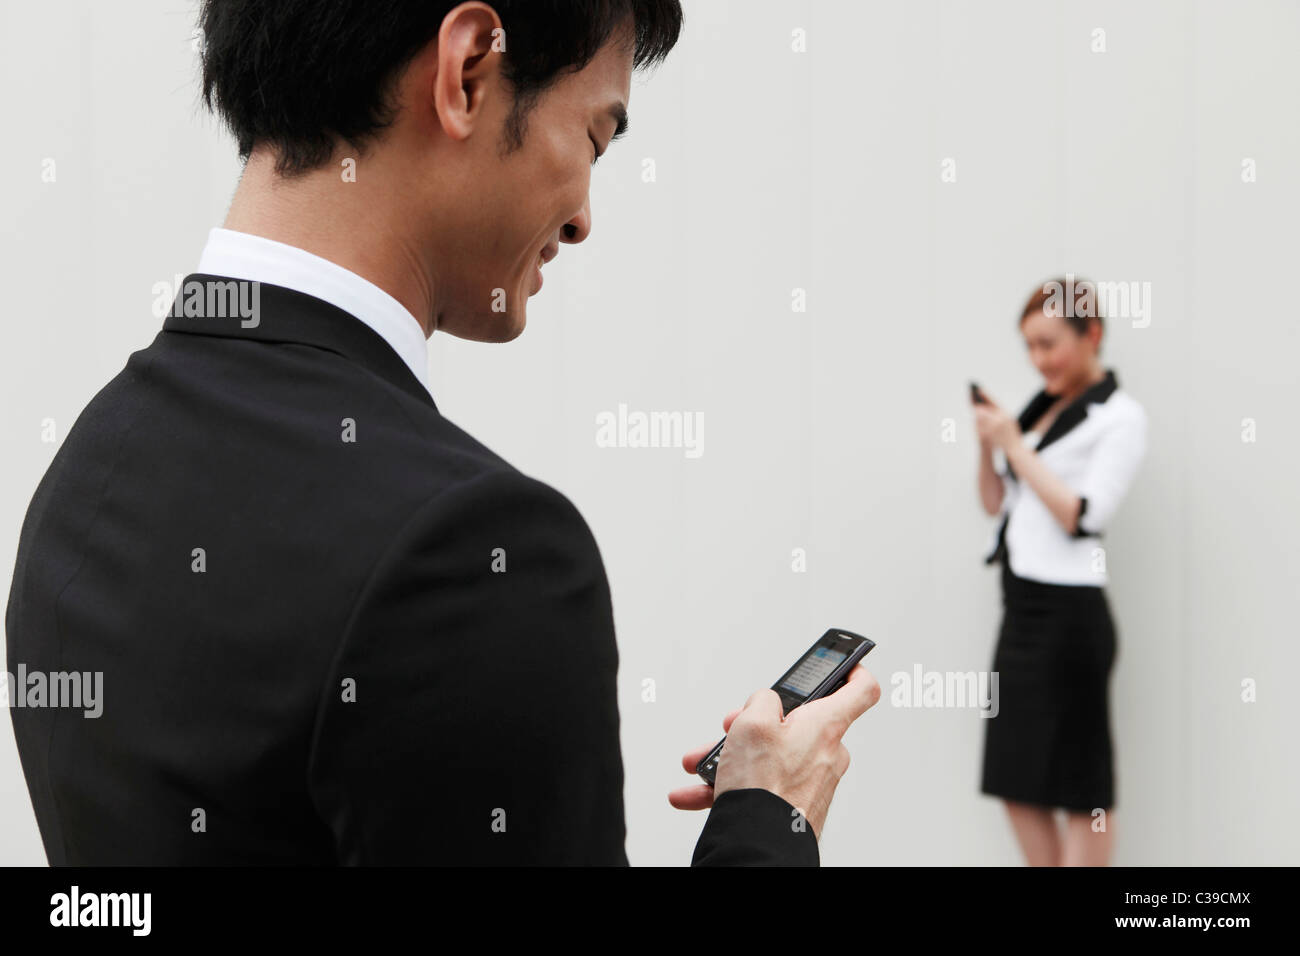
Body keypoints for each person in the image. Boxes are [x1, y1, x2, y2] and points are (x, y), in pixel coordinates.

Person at [4, 0, 882, 866]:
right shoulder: (474, 552)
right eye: (594, 137)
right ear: (468, 71)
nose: (581, 217)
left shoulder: (90, 465)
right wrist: (771, 822)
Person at [971, 276, 1147, 866]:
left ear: (1091, 333)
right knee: (1014, 778)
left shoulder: (1120, 417)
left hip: (1070, 620)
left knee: (1081, 787)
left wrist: (1016, 448)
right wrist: (988, 445)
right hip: (1020, 615)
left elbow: (1083, 514)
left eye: (1048, 343)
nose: (1037, 359)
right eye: (1029, 346)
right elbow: (996, 503)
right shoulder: (1041, 409)